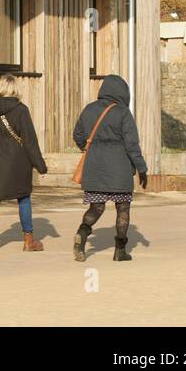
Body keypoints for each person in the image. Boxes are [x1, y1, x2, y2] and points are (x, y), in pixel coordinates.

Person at [72, 74, 148, 263]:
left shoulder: (89, 110)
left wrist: (89, 149)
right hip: (119, 169)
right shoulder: (122, 112)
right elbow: (132, 145)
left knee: (96, 207)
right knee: (122, 209)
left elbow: (78, 134)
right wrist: (142, 168)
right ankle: (120, 251)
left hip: (94, 168)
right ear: (123, 92)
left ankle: (82, 234)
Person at [0, 74, 48, 255]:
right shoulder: (21, 110)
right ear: (15, 88)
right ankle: (28, 240)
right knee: (23, 198)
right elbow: (29, 141)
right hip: (18, 161)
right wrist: (40, 165)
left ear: (0, 88)